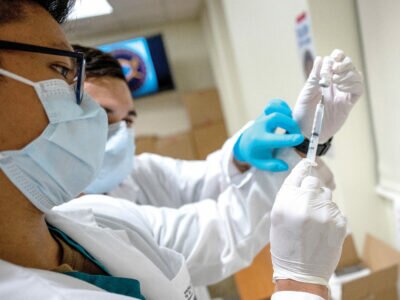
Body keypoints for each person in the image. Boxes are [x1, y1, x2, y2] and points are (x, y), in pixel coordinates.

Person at [0, 1, 360, 299]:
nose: (92, 119)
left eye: (128, 119)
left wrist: (302, 142)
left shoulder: (98, 220)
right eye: (62, 71)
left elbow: (222, 227)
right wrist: (300, 286)